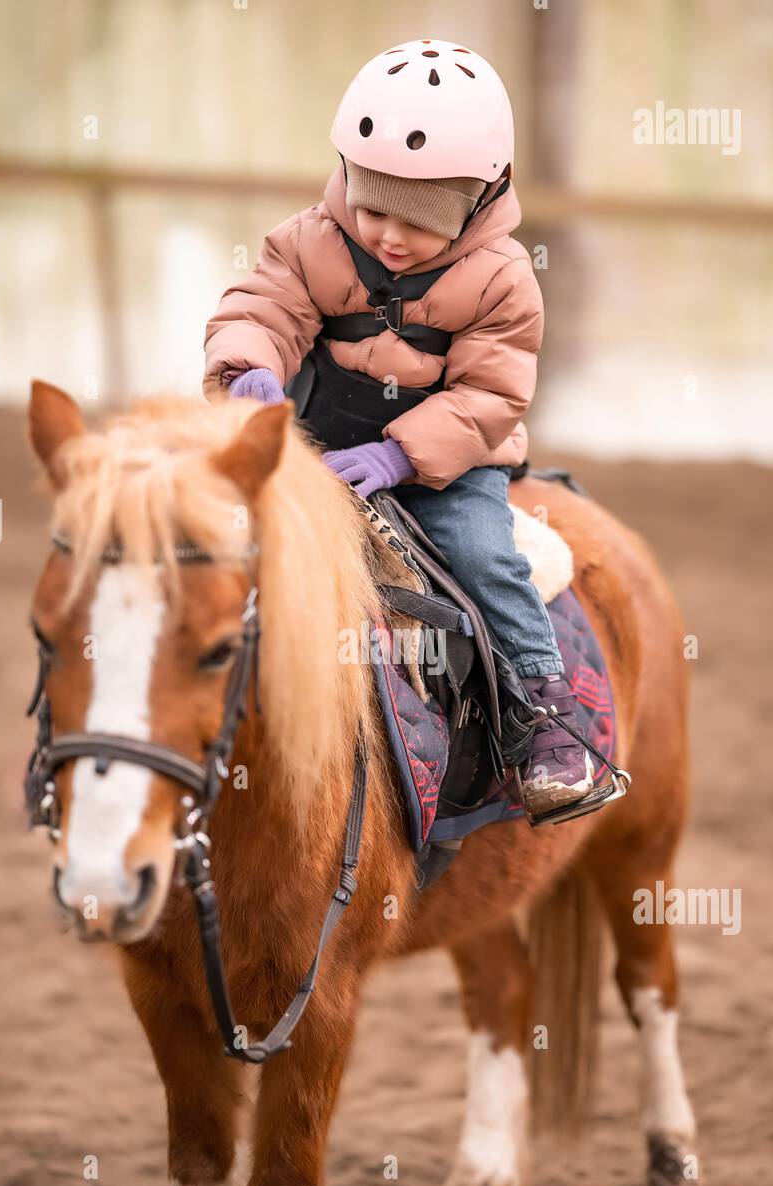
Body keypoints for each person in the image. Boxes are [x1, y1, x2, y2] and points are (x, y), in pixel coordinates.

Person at [203, 38, 593, 817]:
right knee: (198, 540)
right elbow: (263, 308)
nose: (386, 235)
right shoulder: (309, 237)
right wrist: (248, 370)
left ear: (481, 202)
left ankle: (544, 718)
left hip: (447, 459)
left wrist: (399, 455)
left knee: (484, 556)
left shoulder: (505, 280)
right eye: (372, 206)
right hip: (313, 438)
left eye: (419, 223)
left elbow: (490, 392)